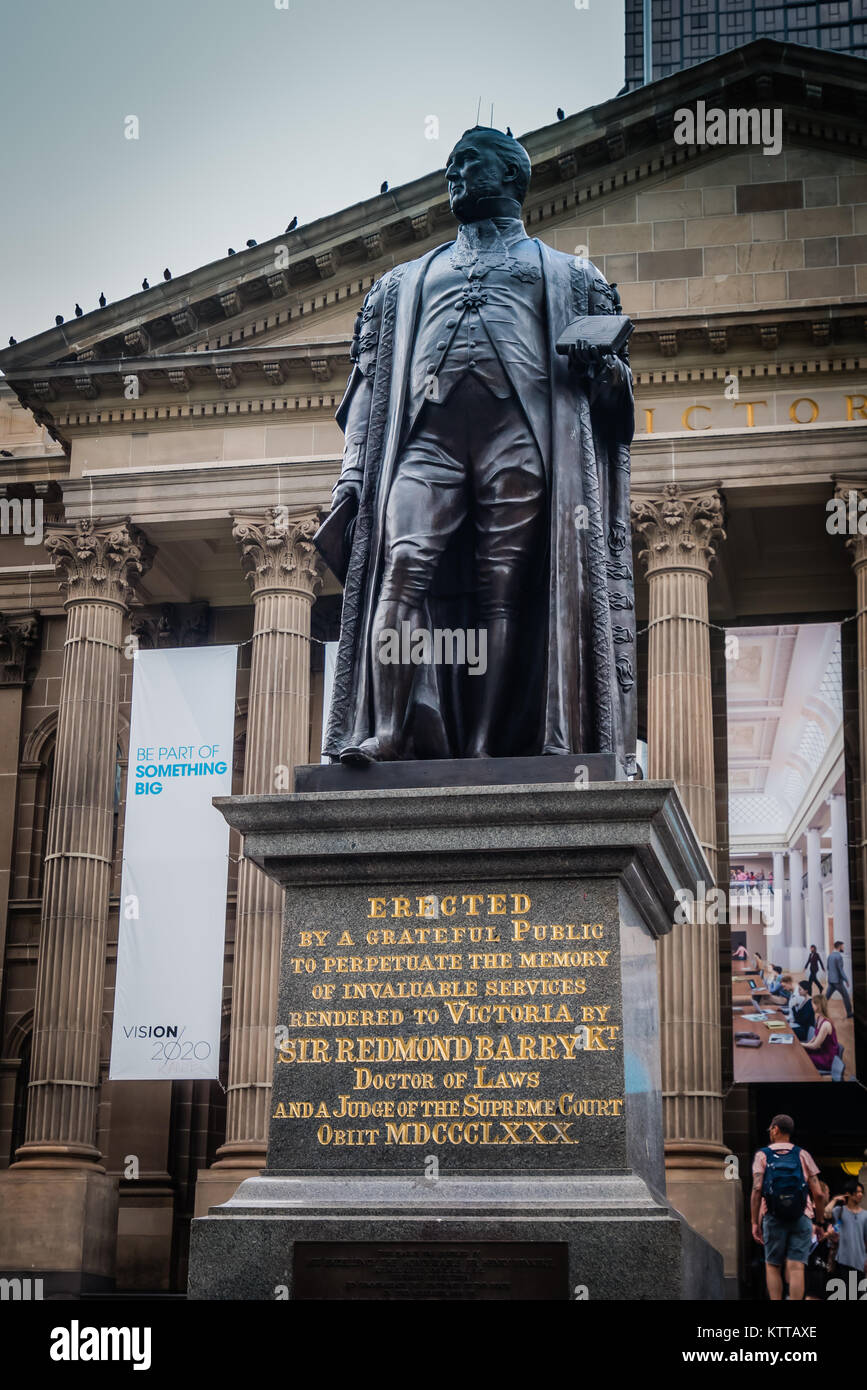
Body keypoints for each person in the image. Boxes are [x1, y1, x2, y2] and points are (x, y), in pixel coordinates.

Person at [317, 126, 635, 766]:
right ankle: (390, 728)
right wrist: (352, 475)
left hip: (519, 445)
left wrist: (606, 374)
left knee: (504, 591)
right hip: (426, 447)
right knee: (400, 569)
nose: (454, 173)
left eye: (468, 162)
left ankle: (490, 742)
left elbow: (613, 407)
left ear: (511, 177)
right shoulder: (402, 283)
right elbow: (367, 393)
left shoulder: (571, 275)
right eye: (450, 163)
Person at [752, 1114, 825, 1301]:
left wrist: (755, 1222)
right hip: (801, 1216)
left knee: (773, 1265)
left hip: (773, 1215)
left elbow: (757, 1189)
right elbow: (818, 1193)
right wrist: (819, 1221)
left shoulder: (762, 1155)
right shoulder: (803, 1154)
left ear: (775, 1129)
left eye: (770, 1129)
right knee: (796, 1265)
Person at [827, 1180, 867, 1288]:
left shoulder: (865, 1215)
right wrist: (834, 1200)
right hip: (841, 1260)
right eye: (857, 1192)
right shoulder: (838, 1211)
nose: (860, 1195)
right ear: (848, 1194)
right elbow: (826, 1213)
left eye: (861, 1192)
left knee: (857, 1294)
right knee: (842, 1293)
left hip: (859, 1262)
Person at [805, 1182, 839, 1301]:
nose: (829, 1195)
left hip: (822, 1262)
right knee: (813, 1294)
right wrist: (827, 1234)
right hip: (813, 1263)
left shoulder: (822, 1214)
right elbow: (811, 1239)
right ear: (822, 1194)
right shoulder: (811, 1213)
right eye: (828, 1192)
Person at [802, 993, 841, 1074]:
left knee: (804, 1058)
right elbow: (815, 1036)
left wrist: (801, 1044)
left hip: (828, 1058)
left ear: (818, 1005)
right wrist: (806, 1045)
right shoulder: (819, 1017)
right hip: (822, 1051)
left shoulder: (826, 1024)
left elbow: (815, 1045)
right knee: (802, 1052)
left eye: (812, 1004)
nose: (811, 1006)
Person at [825, 940, 854, 1019]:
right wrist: (846, 980)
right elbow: (840, 970)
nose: (843, 947)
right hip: (837, 981)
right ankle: (849, 1013)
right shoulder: (839, 956)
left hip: (831, 980)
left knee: (826, 997)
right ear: (839, 947)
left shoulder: (830, 955)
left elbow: (828, 967)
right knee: (846, 996)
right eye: (842, 946)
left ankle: (816, 1009)